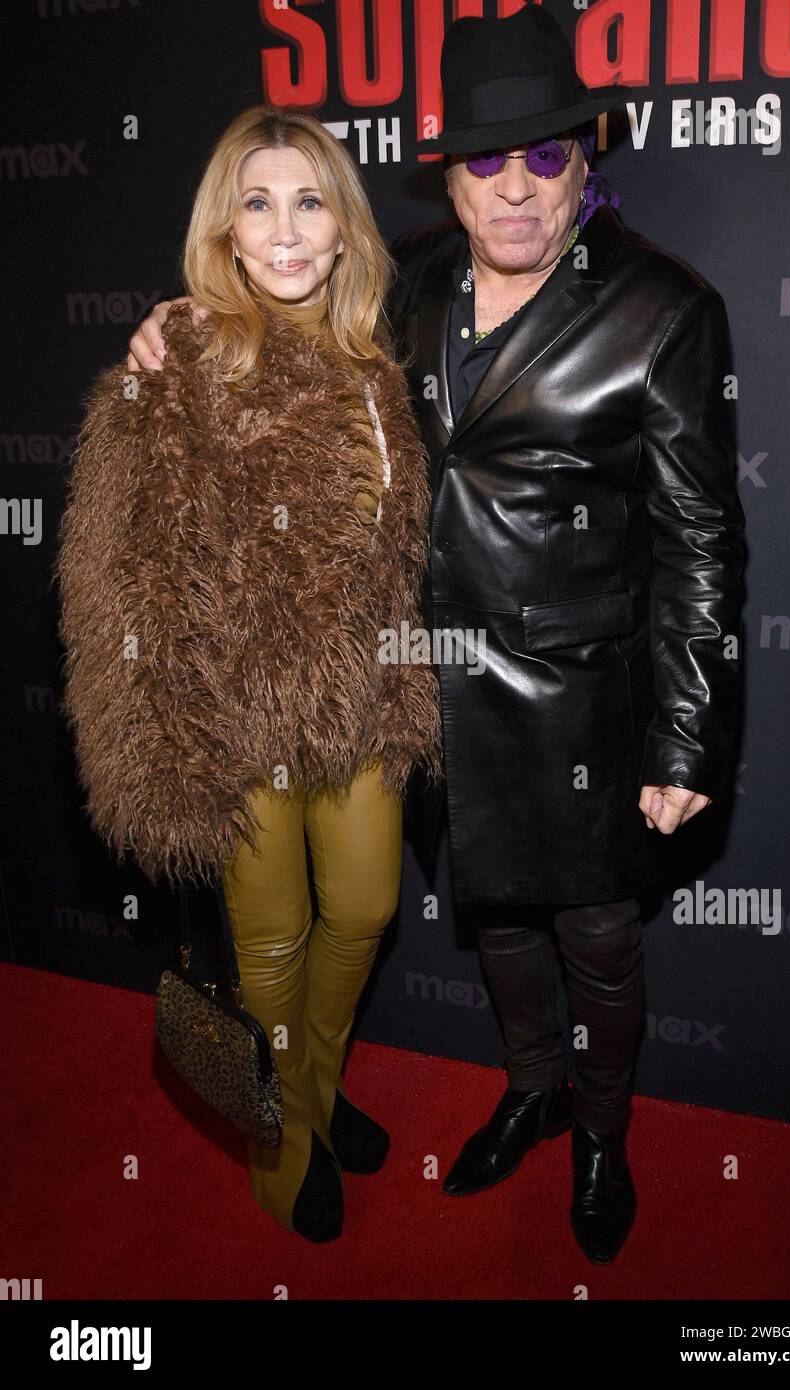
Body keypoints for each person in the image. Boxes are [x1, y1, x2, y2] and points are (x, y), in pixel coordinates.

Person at [124, 6, 746, 1265]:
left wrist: (686, 737)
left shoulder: (665, 309)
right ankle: (529, 1092)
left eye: (545, 157)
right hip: (433, 693)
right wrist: (170, 325)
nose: (515, 188)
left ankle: (602, 1136)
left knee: (597, 940)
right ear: (447, 177)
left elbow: (700, 542)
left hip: (580, 705)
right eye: (485, 161)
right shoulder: (397, 279)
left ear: (588, 156)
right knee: (498, 925)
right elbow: (276, 296)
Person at [54, 105, 441, 1245]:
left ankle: (308, 1091)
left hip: (366, 699)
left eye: (309, 201)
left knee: (365, 907)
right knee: (267, 945)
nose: (283, 230)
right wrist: (171, 747)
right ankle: (281, 1148)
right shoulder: (178, 364)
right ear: (223, 230)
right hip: (235, 718)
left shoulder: (376, 361)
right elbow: (124, 582)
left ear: (341, 230)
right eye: (256, 202)